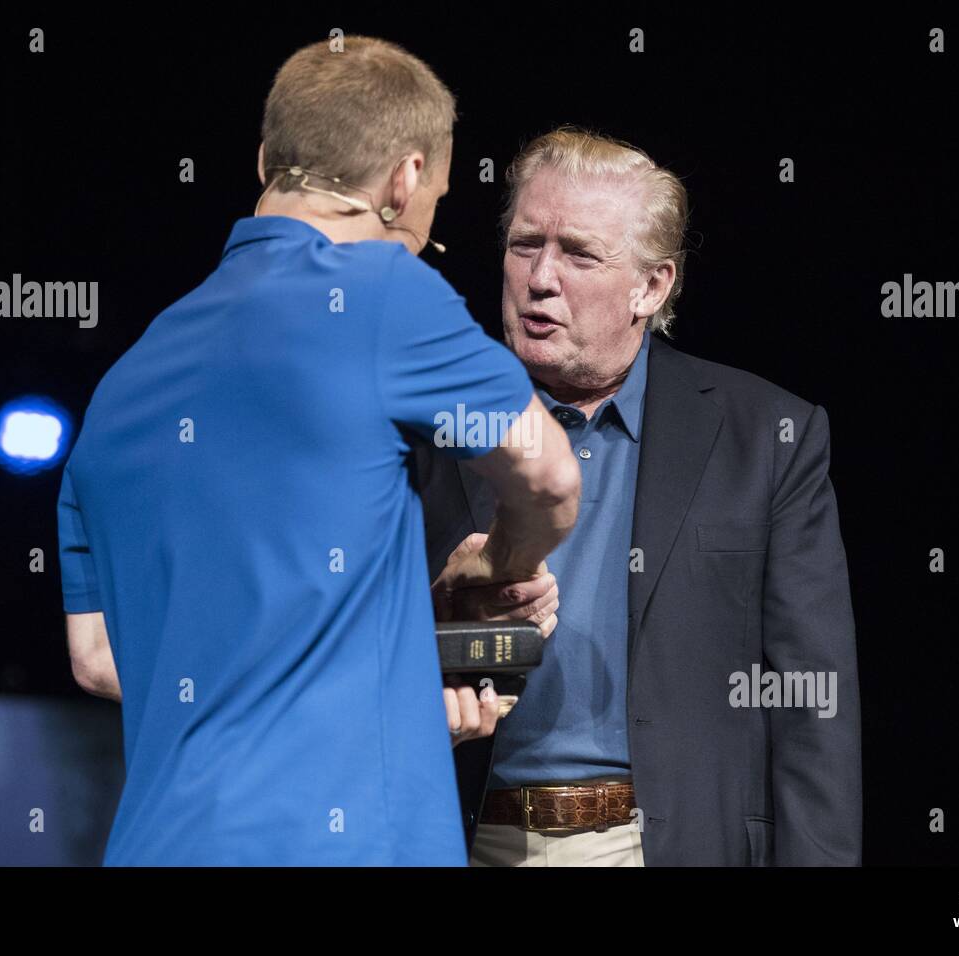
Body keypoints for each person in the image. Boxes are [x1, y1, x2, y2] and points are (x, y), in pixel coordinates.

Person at [57, 37, 580, 866]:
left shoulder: (121, 387)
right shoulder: (382, 292)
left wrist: (393, 672)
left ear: (265, 160)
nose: (427, 232)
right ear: (406, 180)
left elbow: (97, 661)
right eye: (437, 201)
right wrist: (493, 571)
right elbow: (549, 477)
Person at [417, 127, 861, 866]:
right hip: (465, 840)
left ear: (651, 287)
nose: (540, 278)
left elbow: (813, 702)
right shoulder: (428, 426)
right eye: (525, 245)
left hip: (671, 846)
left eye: (579, 254)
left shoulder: (766, 436)